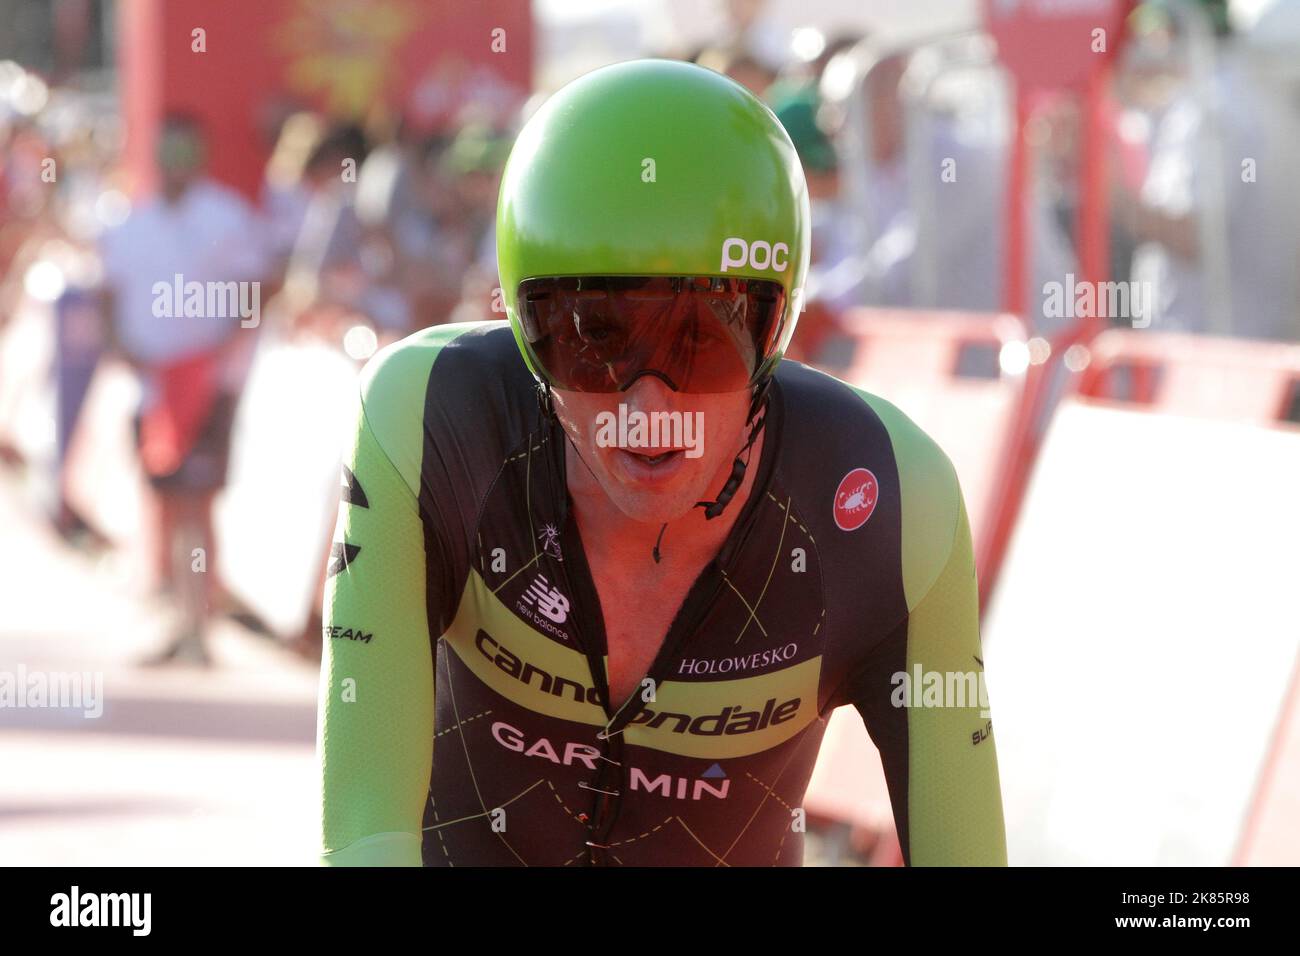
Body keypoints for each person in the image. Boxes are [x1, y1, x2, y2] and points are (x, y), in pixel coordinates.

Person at [316, 59, 1007, 867]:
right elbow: (363, 836)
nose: (648, 414)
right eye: (592, 340)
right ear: (524, 333)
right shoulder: (430, 419)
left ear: (775, 329)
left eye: (703, 341)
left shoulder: (892, 495)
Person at [98, 113, 268, 664]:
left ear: (200, 155)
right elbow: (108, 293)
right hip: (153, 390)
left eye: (184, 153)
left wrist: (217, 357)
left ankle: (199, 627)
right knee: (166, 504)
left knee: (197, 504)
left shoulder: (227, 217)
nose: (175, 164)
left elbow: (256, 290)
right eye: (166, 152)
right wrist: (122, 346)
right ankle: (180, 619)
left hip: (206, 388)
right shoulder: (131, 223)